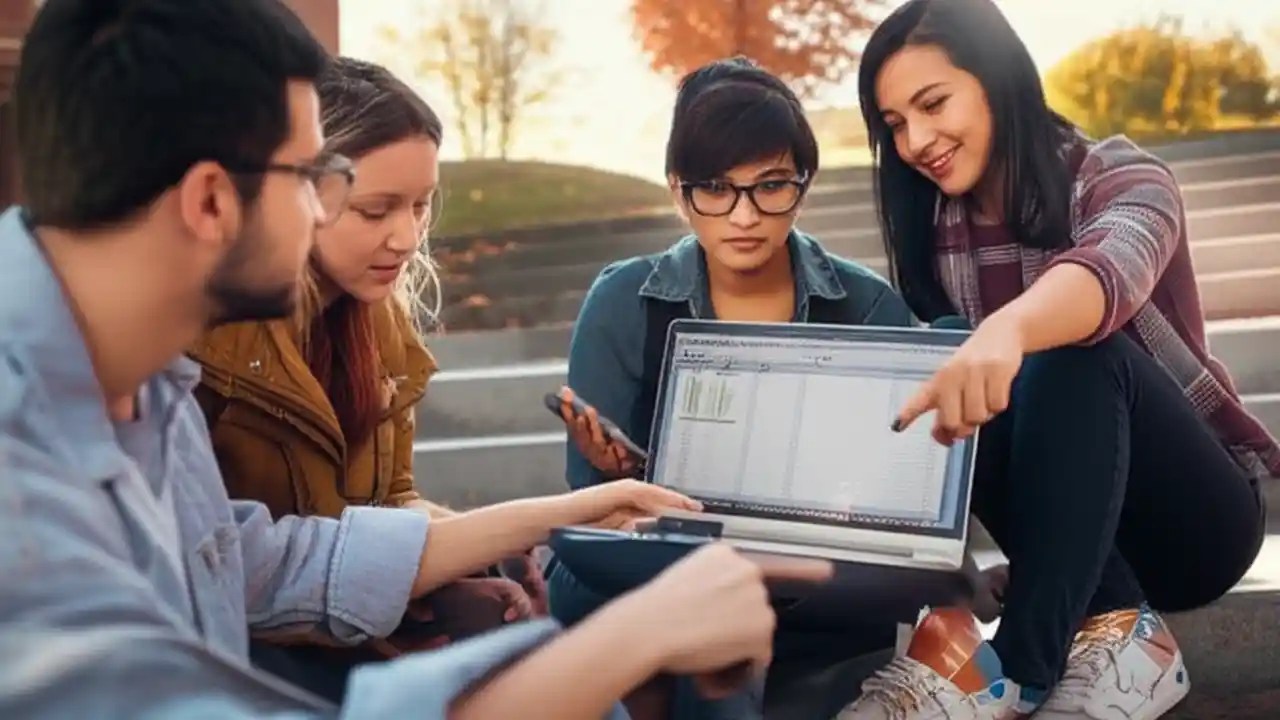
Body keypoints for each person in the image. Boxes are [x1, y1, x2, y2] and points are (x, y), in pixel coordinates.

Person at [0, 2, 832, 718]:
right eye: (314, 180)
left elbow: (256, 563)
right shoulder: (19, 474)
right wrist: (636, 633)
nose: (328, 213)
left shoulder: (146, 386)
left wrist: (560, 515)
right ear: (213, 200)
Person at [839, 0, 1275, 718]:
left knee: (1072, 352)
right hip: (1082, 537)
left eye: (933, 103)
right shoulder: (938, 227)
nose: (916, 140)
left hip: (1199, 520)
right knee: (946, 343)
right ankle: (1110, 619)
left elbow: (1110, 271)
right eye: (894, 125)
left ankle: (1017, 670)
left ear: (996, 78)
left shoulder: (1122, 177)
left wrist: (1009, 331)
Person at [546, 56, 917, 719]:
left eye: (771, 185)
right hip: (645, 569)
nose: (744, 215)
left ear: (804, 183)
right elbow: (589, 511)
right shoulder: (625, 300)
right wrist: (629, 481)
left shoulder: (866, 307)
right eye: (716, 188)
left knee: (729, 599)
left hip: (811, 575)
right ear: (677, 189)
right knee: (689, 592)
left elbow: (888, 500)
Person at [187, 55, 546, 698]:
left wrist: (467, 565)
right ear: (302, 194)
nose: (407, 238)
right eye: (376, 210)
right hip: (241, 646)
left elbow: (389, 498)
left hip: (346, 622)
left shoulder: (380, 330)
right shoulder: (203, 342)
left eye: (421, 207)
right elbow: (232, 567)